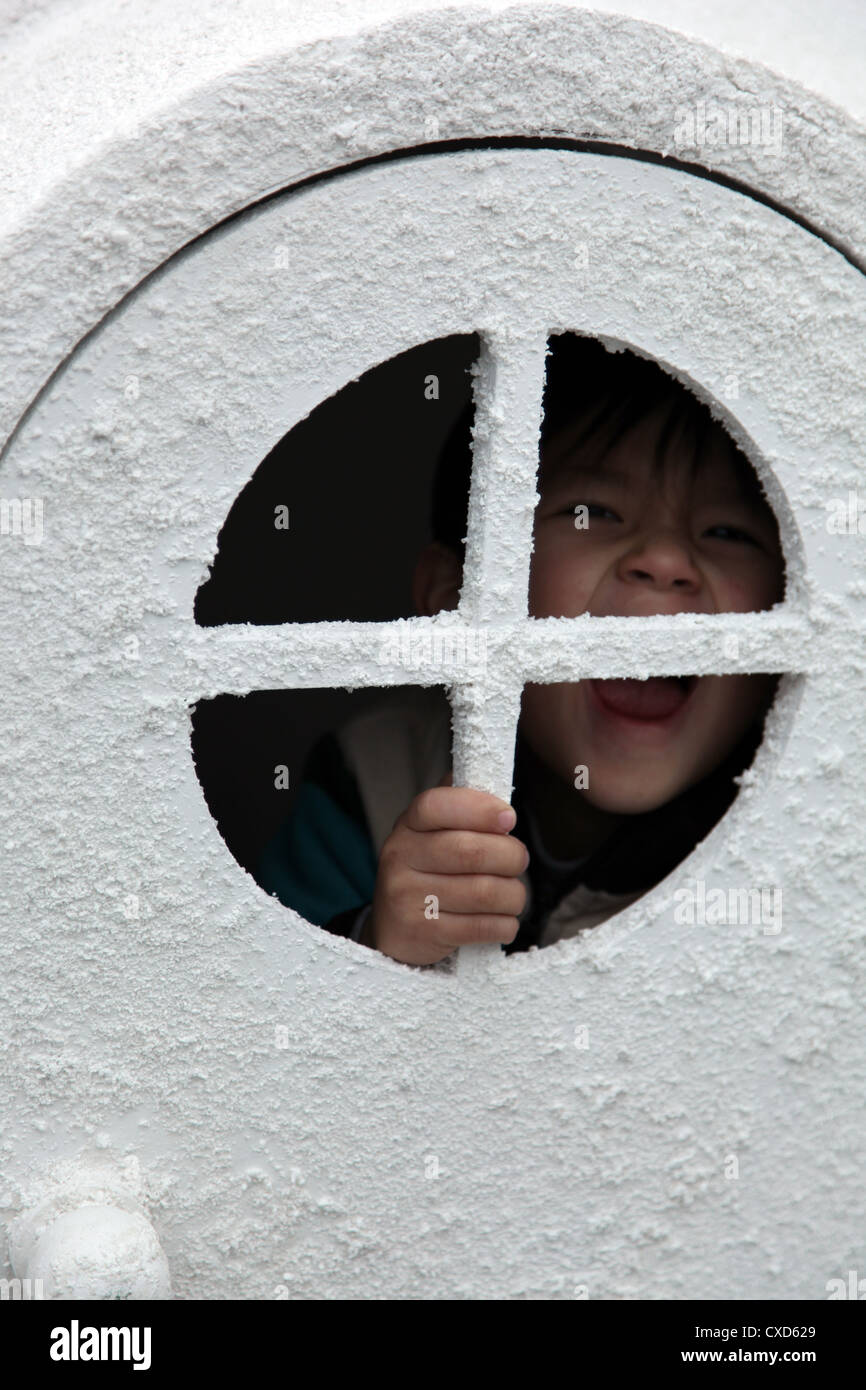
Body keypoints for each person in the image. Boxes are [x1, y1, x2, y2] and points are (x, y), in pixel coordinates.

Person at [255, 335, 786, 964]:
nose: (667, 561)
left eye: (726, 531)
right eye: (596, 512)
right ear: (457, 596)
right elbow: (251, 1005)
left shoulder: (793, 824)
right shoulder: (375, 780)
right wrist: (377, 940)